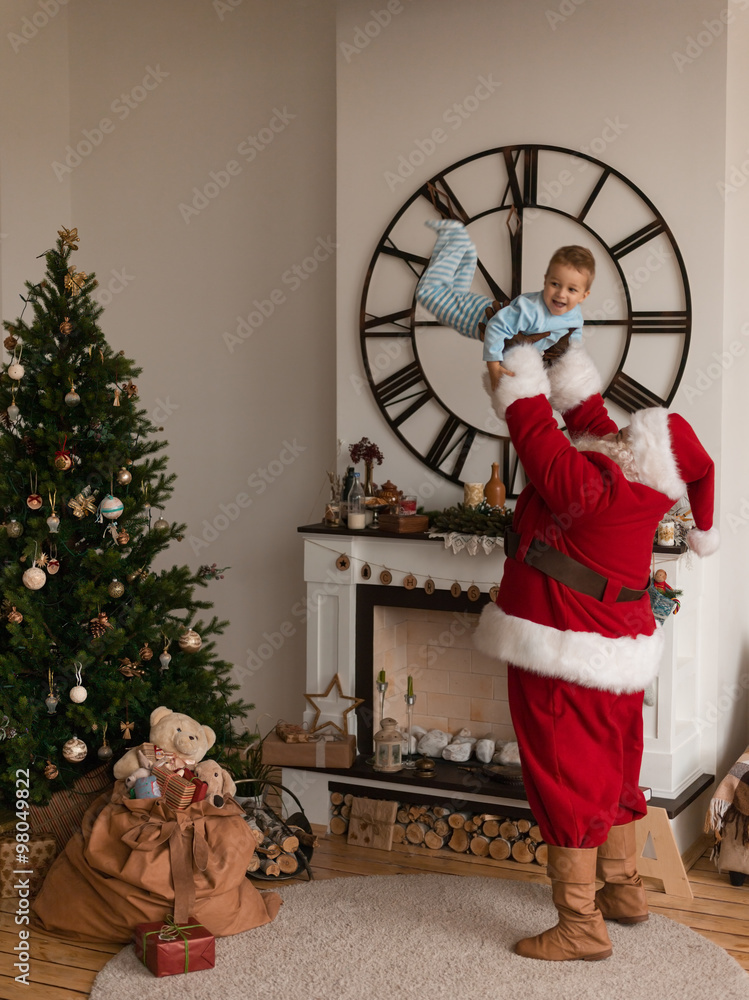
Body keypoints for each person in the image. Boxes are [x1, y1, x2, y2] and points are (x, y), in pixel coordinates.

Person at [473, 340, 719, 962]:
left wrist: (522, 385)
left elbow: (546, 452)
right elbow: (591, 429)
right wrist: (569, 374)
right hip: (617, 649)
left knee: (564, 777)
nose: (623, 433)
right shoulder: (640, 485)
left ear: (644, 453)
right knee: (611, 769)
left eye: (636, 434)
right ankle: (623, 890)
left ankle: (578, 924)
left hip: (563, 650)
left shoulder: (596, 490)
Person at [415, 219, 595, 389]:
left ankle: (466, 253)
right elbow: (495, 327)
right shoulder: (532, 309)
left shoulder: (575, 317)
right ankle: (457, 240)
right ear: (545, 280)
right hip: (474, 317)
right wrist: (493, 367)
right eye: (555, 284)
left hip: (475, 318)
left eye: (572, 289)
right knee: (427, 294)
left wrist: (569, 363)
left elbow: (573, 344)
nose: (561, 294)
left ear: (583, 296)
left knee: (451, 300)